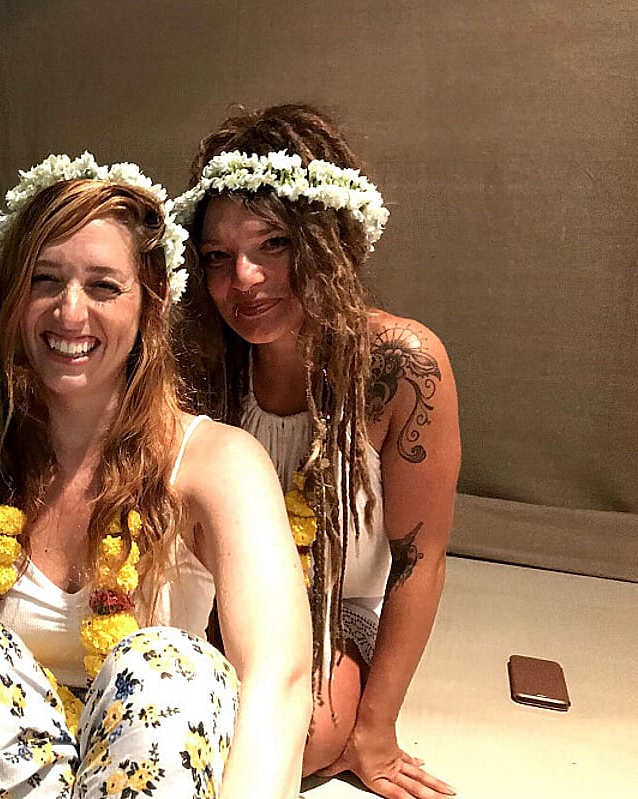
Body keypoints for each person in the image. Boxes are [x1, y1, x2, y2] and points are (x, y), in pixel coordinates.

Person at [0, 152, 313, 799]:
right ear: (12, 295)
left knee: (175, 666)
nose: (69, 311)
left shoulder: (219, 463)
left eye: (103, 286)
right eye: (46, 279)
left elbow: (277, 678)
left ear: (152, 300)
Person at [170, 103, 461, 799]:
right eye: (218, 257)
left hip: (332, 604)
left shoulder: (403, 366)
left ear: (328, 239)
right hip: (209, 596)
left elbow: (420, 561)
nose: (244, 279)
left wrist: (376, 728)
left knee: (300, 736)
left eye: (272, 244)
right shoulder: (198, 356)